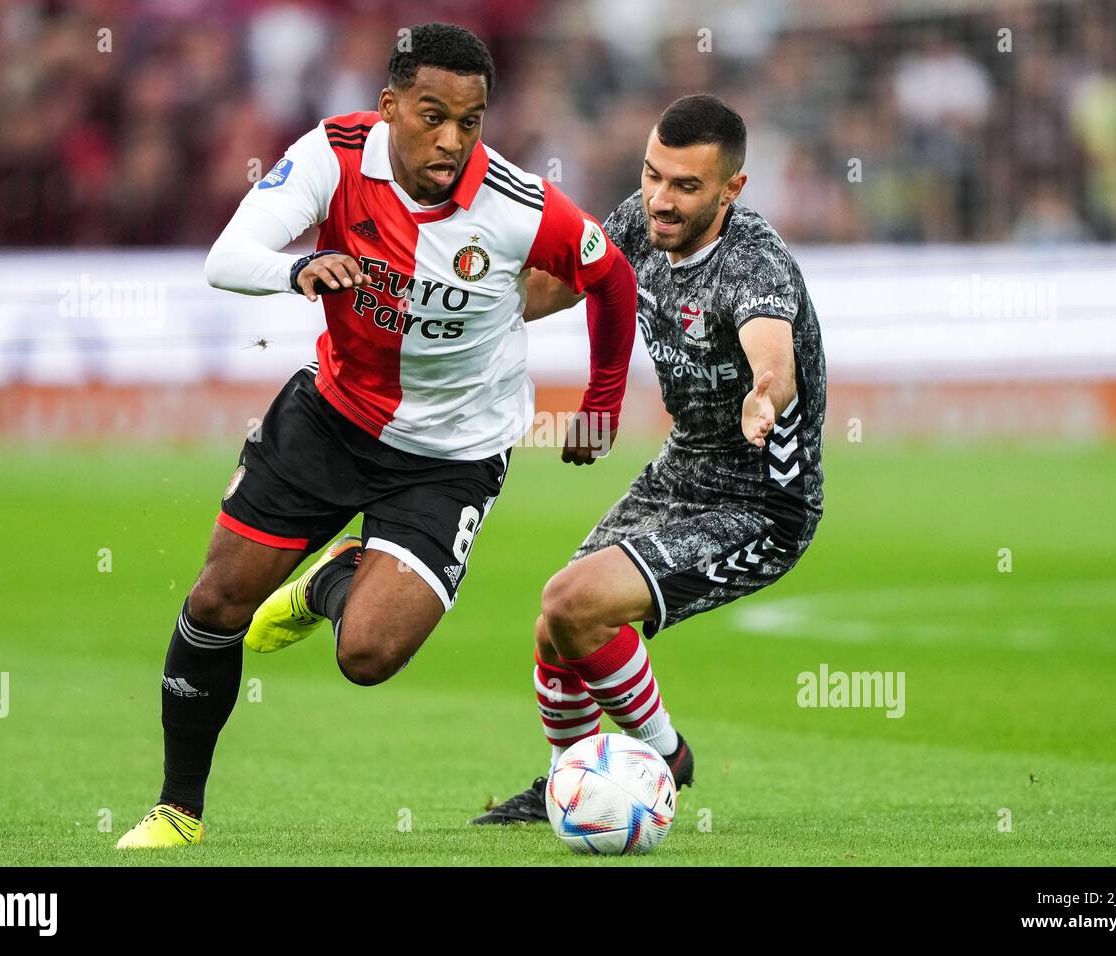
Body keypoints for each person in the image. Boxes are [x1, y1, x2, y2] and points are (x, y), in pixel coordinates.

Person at [117, 23, 636, 849]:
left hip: (453, 456)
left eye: (470, 122)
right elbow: (227, 254)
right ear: (389, 105)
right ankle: (179, 809)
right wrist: (296, 268)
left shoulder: (515, 206)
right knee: (217, 601)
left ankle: (330, 584)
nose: (451, 139)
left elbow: (610, 274)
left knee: (368, 656)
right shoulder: (332, 155)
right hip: (331, 418)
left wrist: (602, 401)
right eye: (432, 115)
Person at [472, 94, 825, 824]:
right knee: (557, 625)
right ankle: (567, 782)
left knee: (574, 605)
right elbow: (548, 291)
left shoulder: (755, 267)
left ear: (733, 189)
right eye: (652, 175)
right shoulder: (638, 221)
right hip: (682, 469)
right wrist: (461, 291)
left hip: (760, 504)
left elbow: (774, 360)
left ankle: (664, 755)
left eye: (686, 186)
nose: (661, 200)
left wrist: (764, 397)